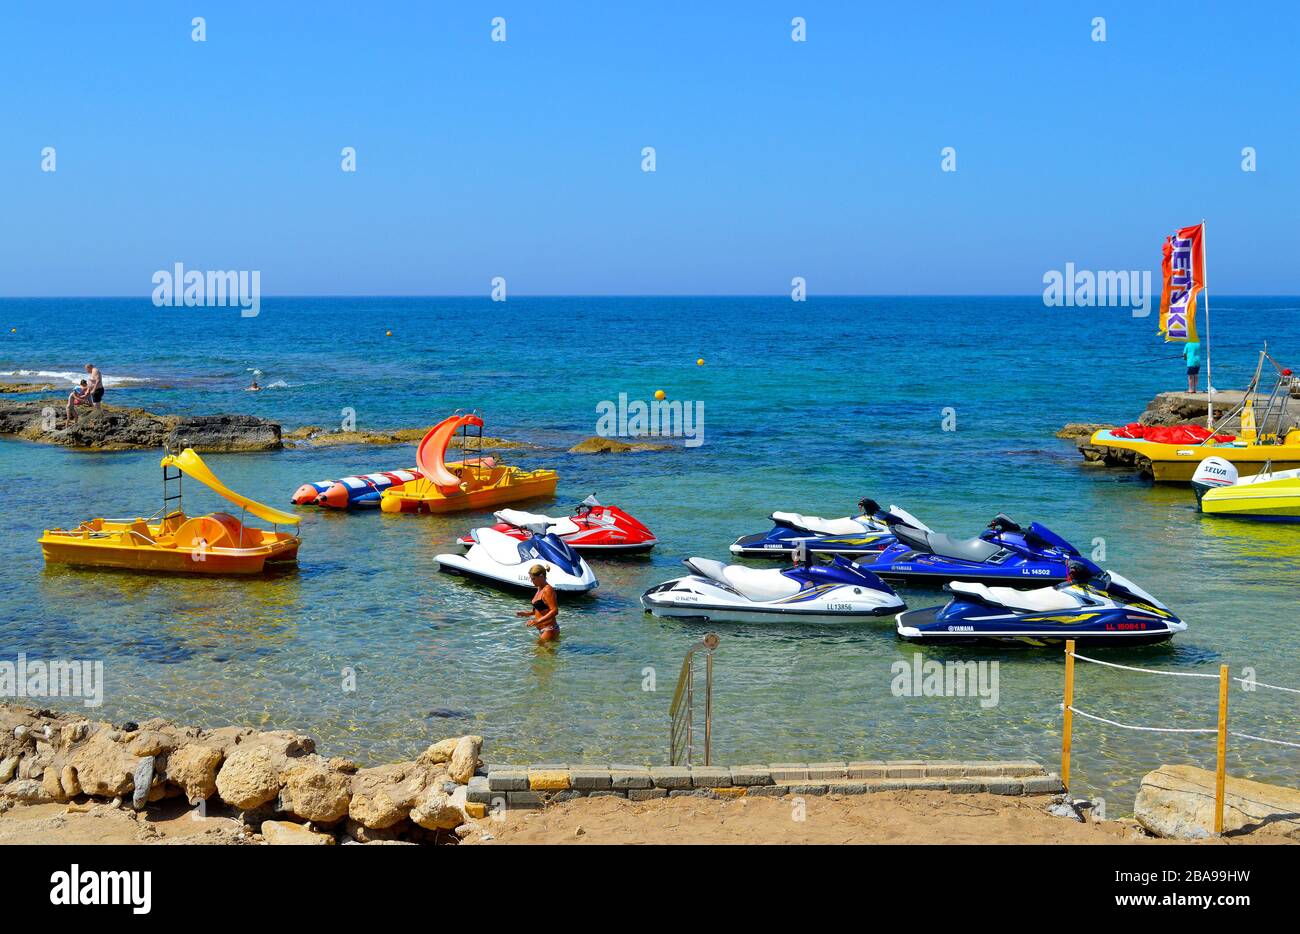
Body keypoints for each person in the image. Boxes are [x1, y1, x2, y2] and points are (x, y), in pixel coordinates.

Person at [517, 564, 559, 642]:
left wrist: (536, 621)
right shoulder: (539, 588)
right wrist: (527, 613)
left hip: (549, 629)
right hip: (543, 629)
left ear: (541, 576)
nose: (532, 581)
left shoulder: (547, 590)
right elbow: (541, 609)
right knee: (540, 653)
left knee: (540, 653)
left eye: (533, 579)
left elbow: (554, 610)